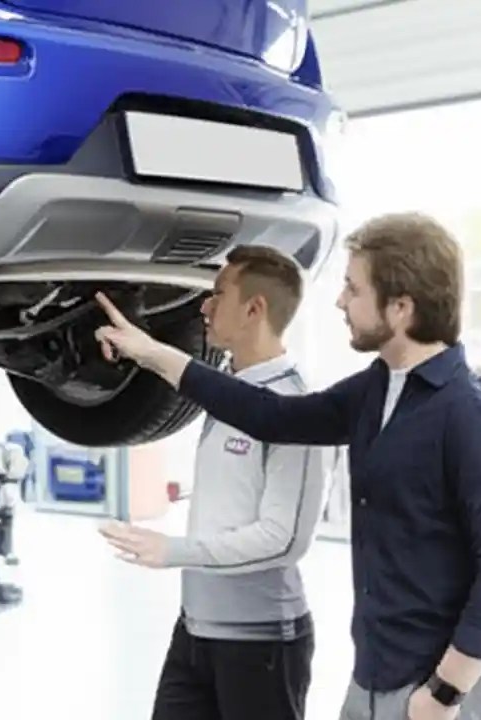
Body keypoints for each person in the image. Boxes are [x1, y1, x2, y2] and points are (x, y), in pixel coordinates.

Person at [93, 212, 481, 720]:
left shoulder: (469, 413)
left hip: (441, 691)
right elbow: (270, 416)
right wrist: (150, 353)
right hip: (375, 674)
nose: (340, 301)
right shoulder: (375, 389)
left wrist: (444, 693)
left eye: (354, 289)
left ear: (400, 307)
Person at [100, 245, 329, 720]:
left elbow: (284, 539)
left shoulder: (294, 406)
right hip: (195, 631)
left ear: (254, 309)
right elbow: (186, 378)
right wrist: (135, 349)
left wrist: (175, 550)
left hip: (261, 644)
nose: (204, 306)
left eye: (218, 294)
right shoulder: (230, 393)